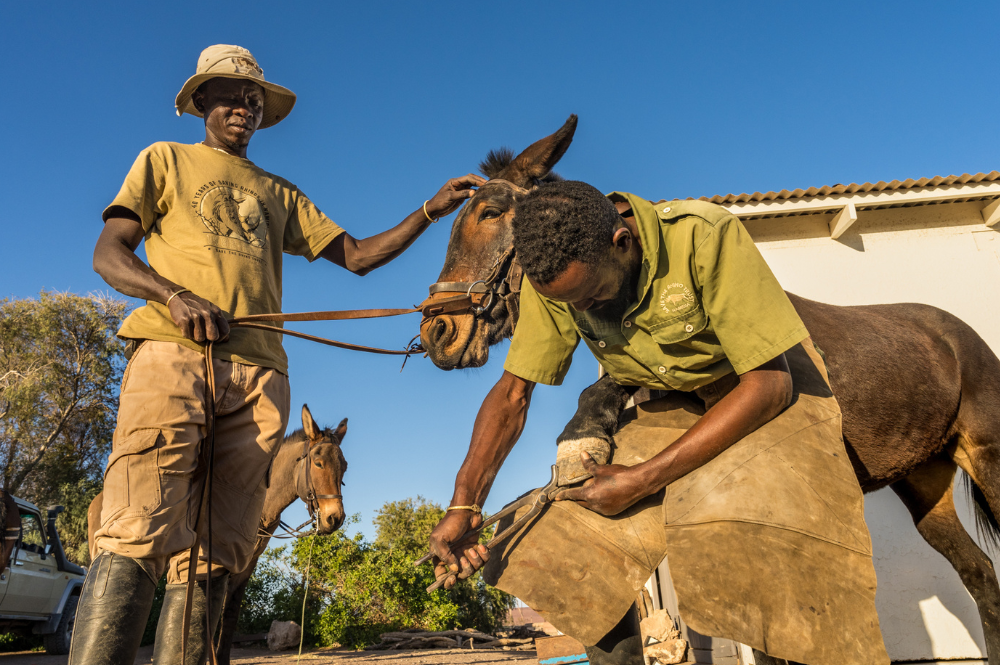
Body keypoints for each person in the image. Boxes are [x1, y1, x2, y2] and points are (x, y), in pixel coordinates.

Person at [72, 44, 484, 665]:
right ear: (202, 101)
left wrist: (430, 209)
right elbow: (110, 255)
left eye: (255, 99)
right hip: (173, 356)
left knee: (222, 547)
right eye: (232, 95)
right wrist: (174, 295)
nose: (245, 107)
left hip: (263, 376)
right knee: (138, 522)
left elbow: (360, 256)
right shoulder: (165, 160)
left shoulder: (278, 192)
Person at [427, 180, 887, 665]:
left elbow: (771, 384)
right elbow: (512, 393)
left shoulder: (703, 236)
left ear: (621, 242)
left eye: (592, 295)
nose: (584, 311)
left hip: (757, 393)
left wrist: (643, 479)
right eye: (572, 304)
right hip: (670, 400)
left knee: (760, 531)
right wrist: (465, 502)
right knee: (567, 545)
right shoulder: (555, 277)